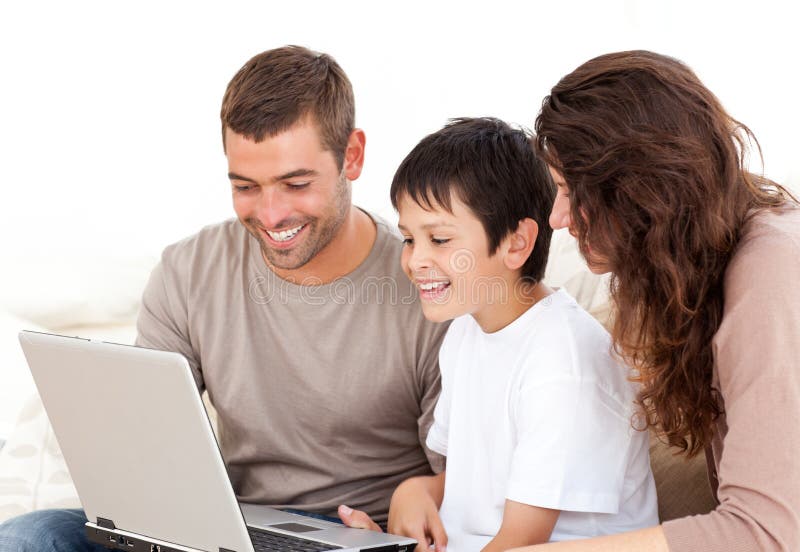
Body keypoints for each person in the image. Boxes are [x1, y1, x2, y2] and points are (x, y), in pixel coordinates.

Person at [0, 45, 448, 551]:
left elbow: (470, 481)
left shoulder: (426, 286)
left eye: (295, 183)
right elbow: (148, 444)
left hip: (354, 530)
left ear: (352, 156)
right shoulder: (188, 271)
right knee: (26, 537)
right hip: (223, 525)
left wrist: (410, 507)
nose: (271, 215)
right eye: (246, 186)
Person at [510, 50, 800, 552]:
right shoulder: (691, 266)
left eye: (570, 192)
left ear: (643, 188)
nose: (557, 218)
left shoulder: (771, 274)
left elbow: (767, 533)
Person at [342, 117, 658, 550]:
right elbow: (472, 480)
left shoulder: (562, 362)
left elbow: (519, 542)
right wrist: (415, 492)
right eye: (409, 240)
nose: (415, 261)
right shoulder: (464, 332)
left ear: (516, 243)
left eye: (439, 239)